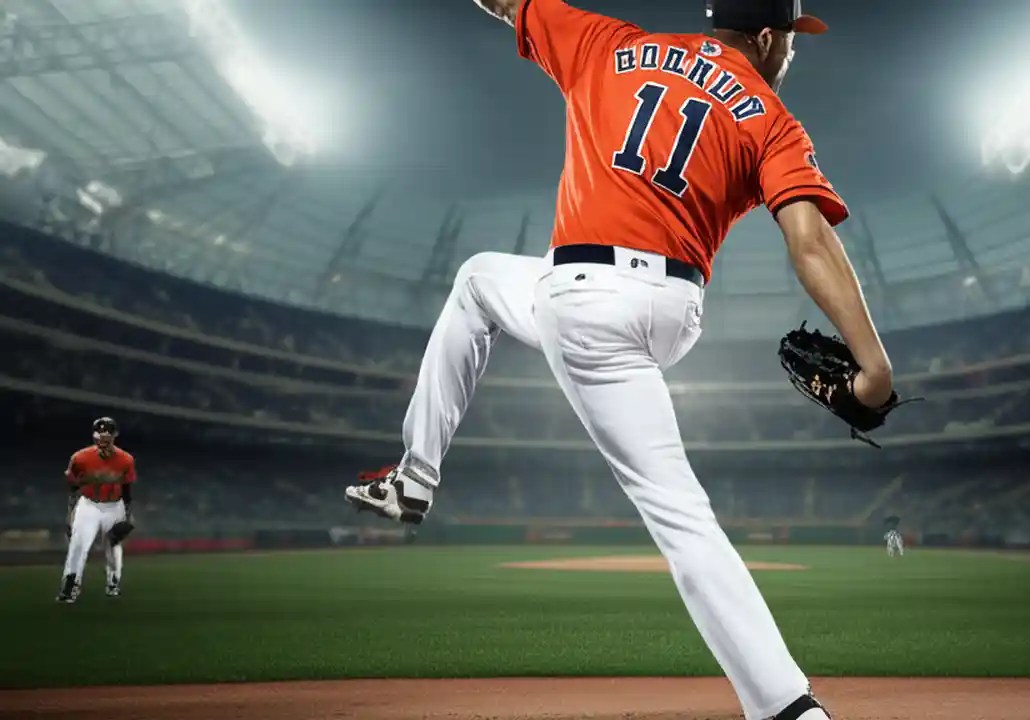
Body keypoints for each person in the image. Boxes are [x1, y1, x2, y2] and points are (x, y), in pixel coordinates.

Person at [346, 1, 897, 717]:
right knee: (481, 277)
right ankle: (414, 476)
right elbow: (811, 242)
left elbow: (508, 0)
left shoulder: (610, 43)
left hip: (581, 296)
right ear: (765, 37)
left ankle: (418, 475)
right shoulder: (770, 117)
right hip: (666, 308)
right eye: (791, 39)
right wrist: (873, 364)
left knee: (676, 512)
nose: (792, 53)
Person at [58, 416, 136, 603]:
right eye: (100, 433)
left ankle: (113, 581)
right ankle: (70, 585)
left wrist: (128, 512)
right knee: (78, 544)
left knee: (113, 545)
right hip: (89, 505)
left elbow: (126, 488)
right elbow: (73, 487)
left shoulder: (125, 459)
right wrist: (71, 514)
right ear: (94, 436)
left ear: (115, 435)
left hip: (114, 505)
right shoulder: (79, 458)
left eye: (108, 433)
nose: (104, 437)